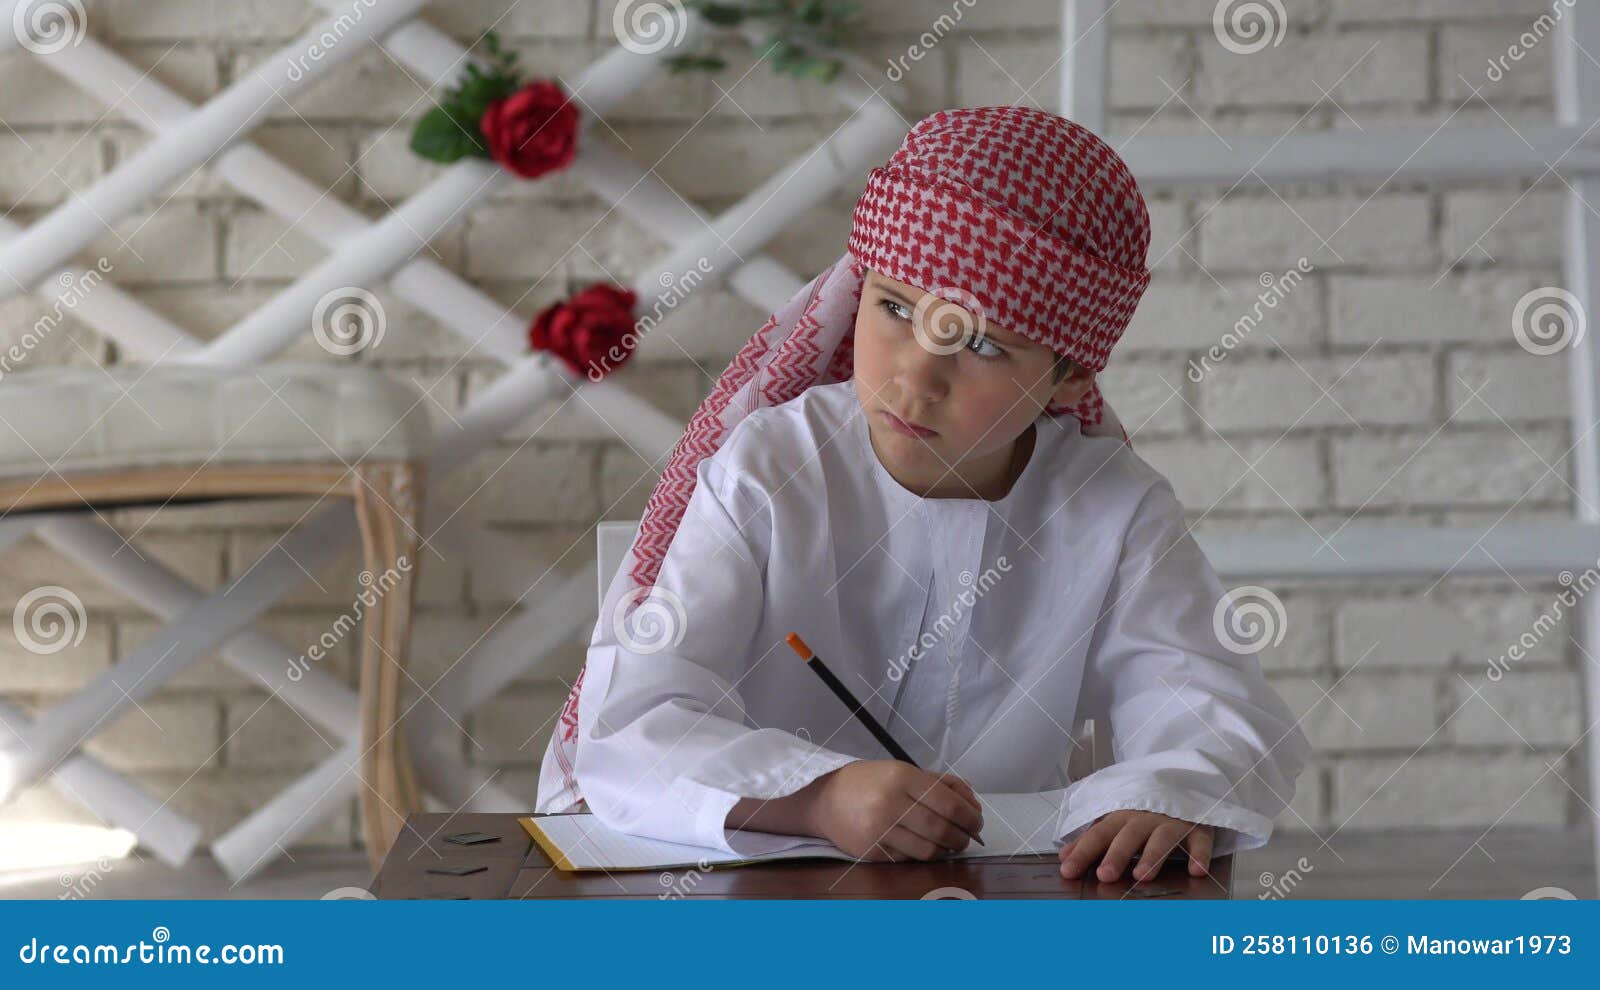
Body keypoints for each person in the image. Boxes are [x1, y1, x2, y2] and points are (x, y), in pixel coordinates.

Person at [536, 106, 1312, 884]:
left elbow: (1206, 706)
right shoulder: (771, 468)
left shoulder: (1117, 507)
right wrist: (818, 797)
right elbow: (634, 723)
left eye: (980, 344)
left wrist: (1173, 792)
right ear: (857, 289)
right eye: (897, 310)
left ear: (1071, 374)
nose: (916, 377)